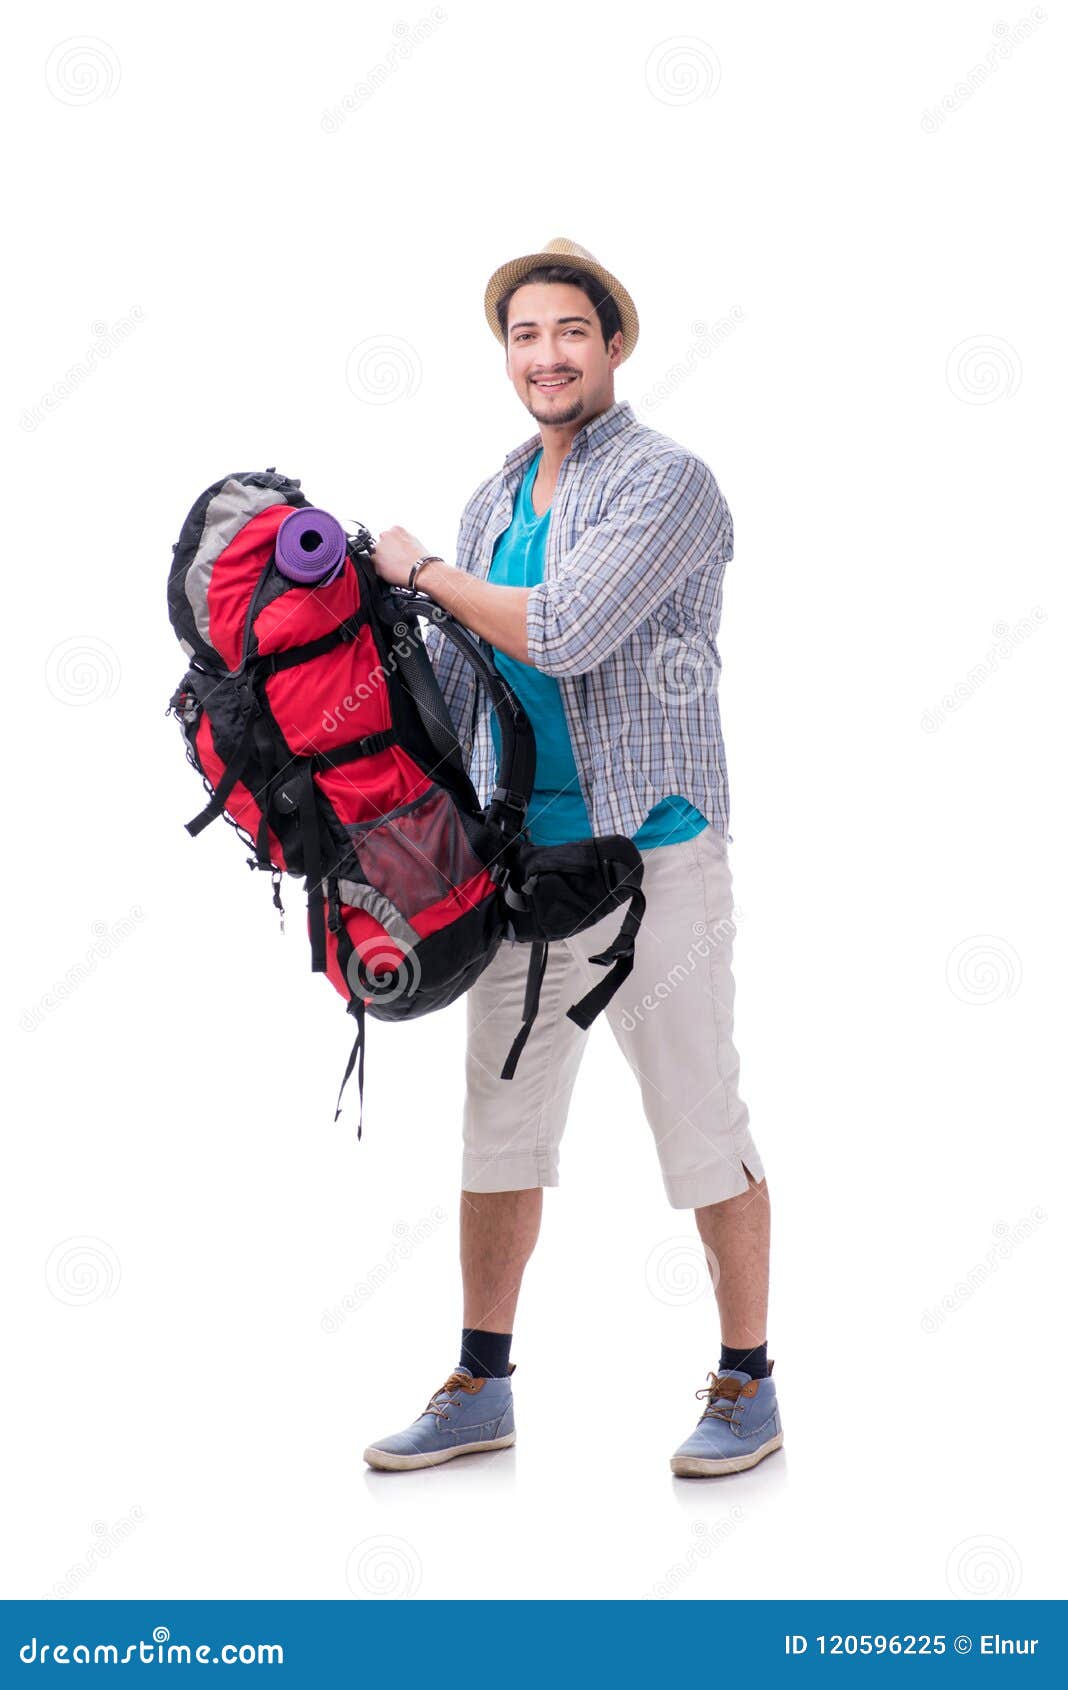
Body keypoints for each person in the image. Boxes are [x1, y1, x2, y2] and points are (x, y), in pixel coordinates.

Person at [364, 237, 782, 1478]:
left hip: (656, 858)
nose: (546, 356)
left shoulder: (670, 482)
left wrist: (422, 571)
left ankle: (748, 1382)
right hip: (529, 867)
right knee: (497, 1132)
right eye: (524, 336)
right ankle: (481, 1383)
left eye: (569, 334)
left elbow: (568, 631)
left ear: (614, 346)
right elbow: (454, 678)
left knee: (702, 1123)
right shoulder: (496, 499)